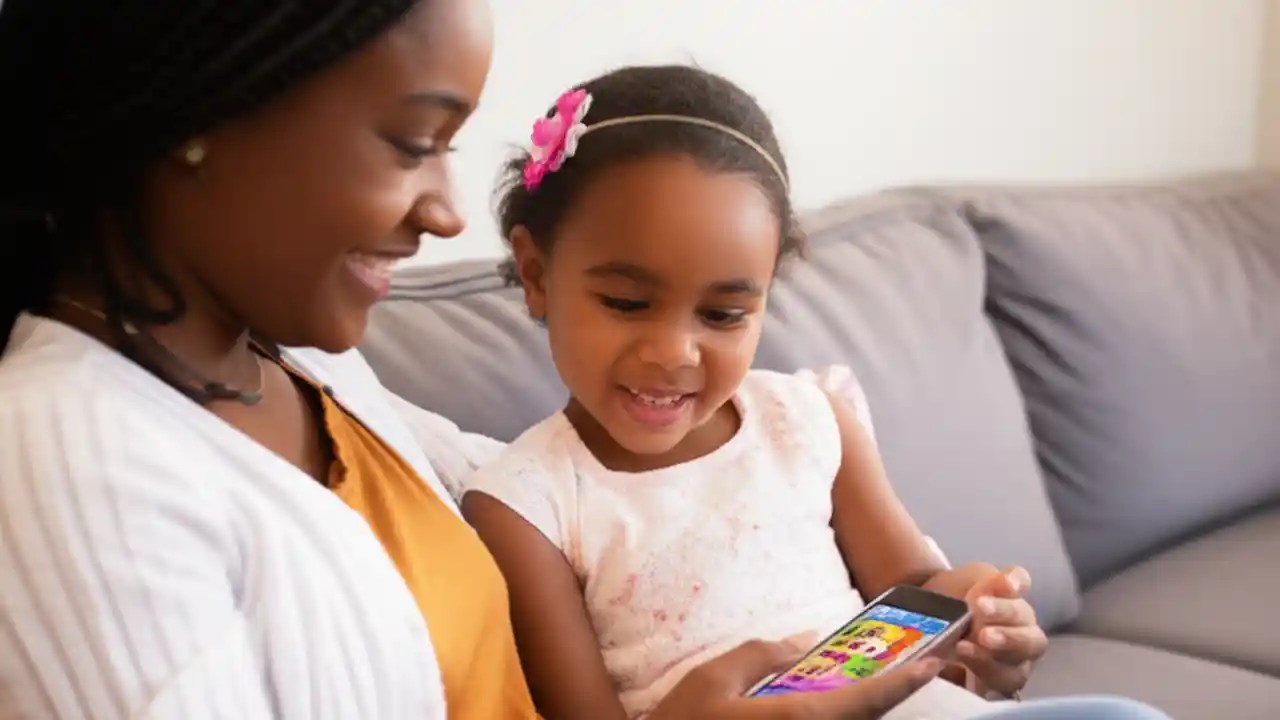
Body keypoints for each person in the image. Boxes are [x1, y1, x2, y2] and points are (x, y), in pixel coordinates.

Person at [0, 2, 1170, 720]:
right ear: (202, 109)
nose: (442, 214)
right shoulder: (70, 464)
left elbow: (890, 593)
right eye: (412, 142)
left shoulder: (290, 365)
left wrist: (956, 628)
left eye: (727, 310)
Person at [462, 66, 1172, 720]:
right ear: (536, 274)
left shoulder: (800, 419)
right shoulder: (529, 505)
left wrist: (979, 617)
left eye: (723, 315)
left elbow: (916, 587)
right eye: (625, 301)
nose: (675, 354)